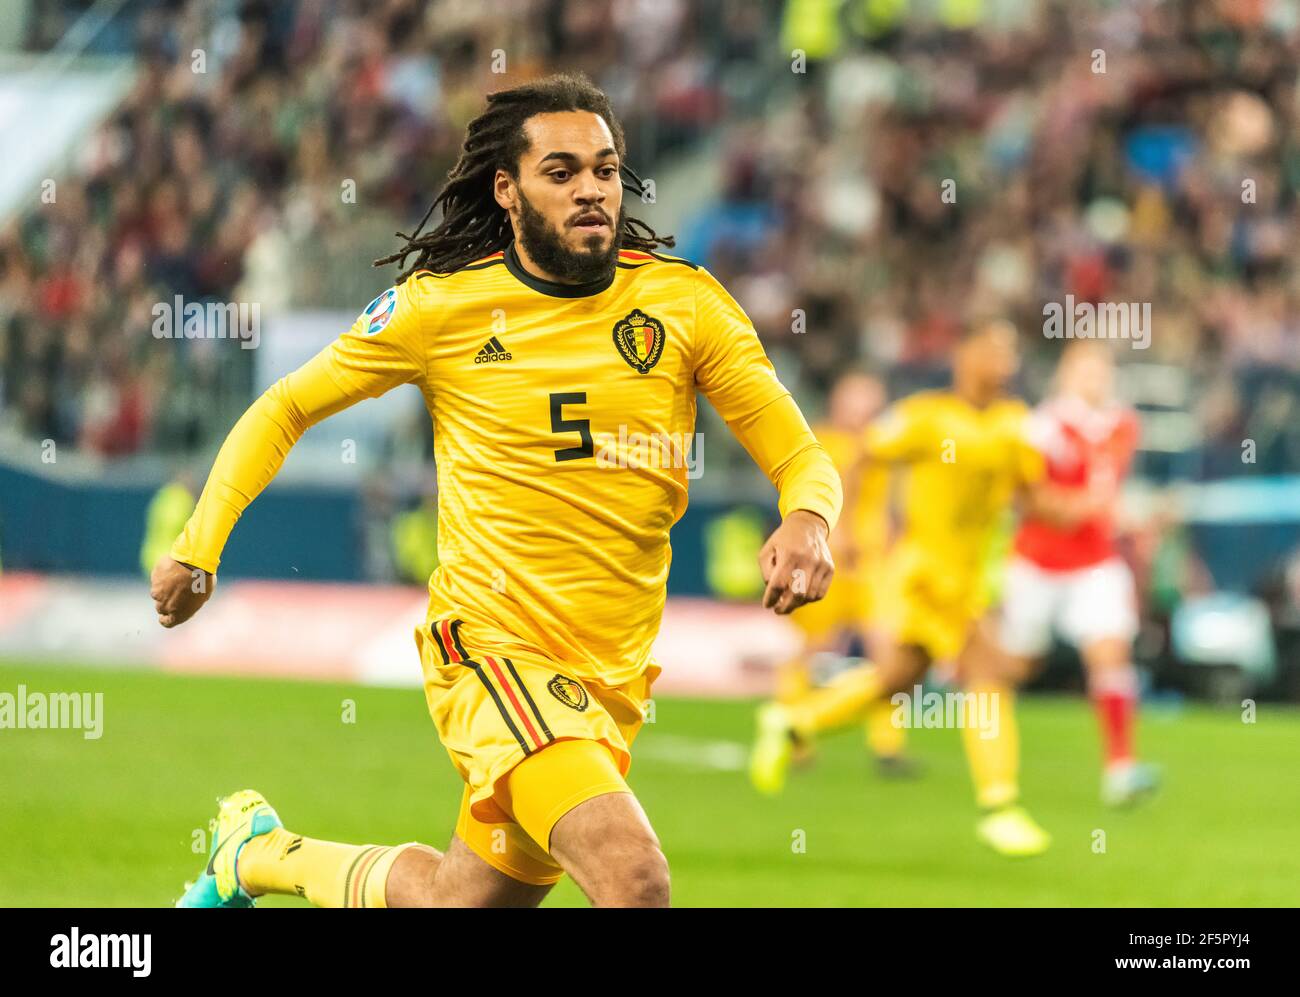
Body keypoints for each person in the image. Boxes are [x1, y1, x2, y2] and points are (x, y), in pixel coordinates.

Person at [152, 74, 840, 908]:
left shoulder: (684, 305)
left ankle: (262, 855)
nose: (591, 188)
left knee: (457, 900)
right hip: (491, 648)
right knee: (635, 878)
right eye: (562, 171)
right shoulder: (444, 309)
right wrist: (200, 543)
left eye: (606, 168)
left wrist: (809, 517)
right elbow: (286, 406)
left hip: (608, 677)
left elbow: (797, 450)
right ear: (507, 190)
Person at [751, 320, 1055, 857]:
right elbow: (864, 454)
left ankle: (795, 719)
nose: (1007, 361)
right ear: (966, 356)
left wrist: (1086, 515)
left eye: (1012, 351)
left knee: (897, 680)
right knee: (986, 673)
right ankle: (999, 805)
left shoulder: (1016, 424)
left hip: (971, 579)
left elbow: (1033, 499)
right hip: (920, 573)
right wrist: (839, 527)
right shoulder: (926, 417)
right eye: (995, 349)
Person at [1000, 340, 1159, 807]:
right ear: (1064, 375)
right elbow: (1028, 500)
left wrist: (1136, 520)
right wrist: (1080, 508)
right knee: (1018, 666)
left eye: (1100, 369)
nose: (1094, 377)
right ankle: (967, 713)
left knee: (1110, 652)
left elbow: (1110, 500)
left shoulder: (1124, 425)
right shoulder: (1040, 427)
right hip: (1037, 563)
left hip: (1094, 564)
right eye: (1084, 368)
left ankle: (1120, 769)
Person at [772, 370, 914, 775]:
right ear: (838, 401)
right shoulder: (817, 442)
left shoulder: (882, 446)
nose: (868, 408)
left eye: (873, 398)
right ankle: (793, 732)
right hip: (829, 556)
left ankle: (887, 747)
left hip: (874, 562)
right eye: (859, 397)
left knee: (888, 651)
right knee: (815, 646)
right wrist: (843, 533)